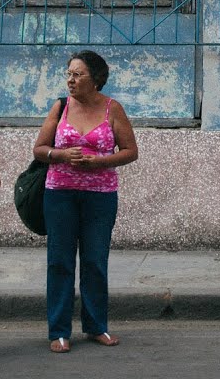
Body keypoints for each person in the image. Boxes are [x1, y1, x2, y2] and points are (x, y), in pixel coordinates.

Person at [32, 50, 138, 354]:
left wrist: (100, 162)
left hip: (100, 198)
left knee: (94, 261)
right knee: (60, 261)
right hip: (60, 194)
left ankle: (96, 326)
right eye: (69, 73)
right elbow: (39, 149)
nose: (70, 80)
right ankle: (59, 330)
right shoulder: (61, 107)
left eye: (77, 74)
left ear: (96, 79)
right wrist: (61, 155)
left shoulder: (112, 109)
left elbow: (131, 151)